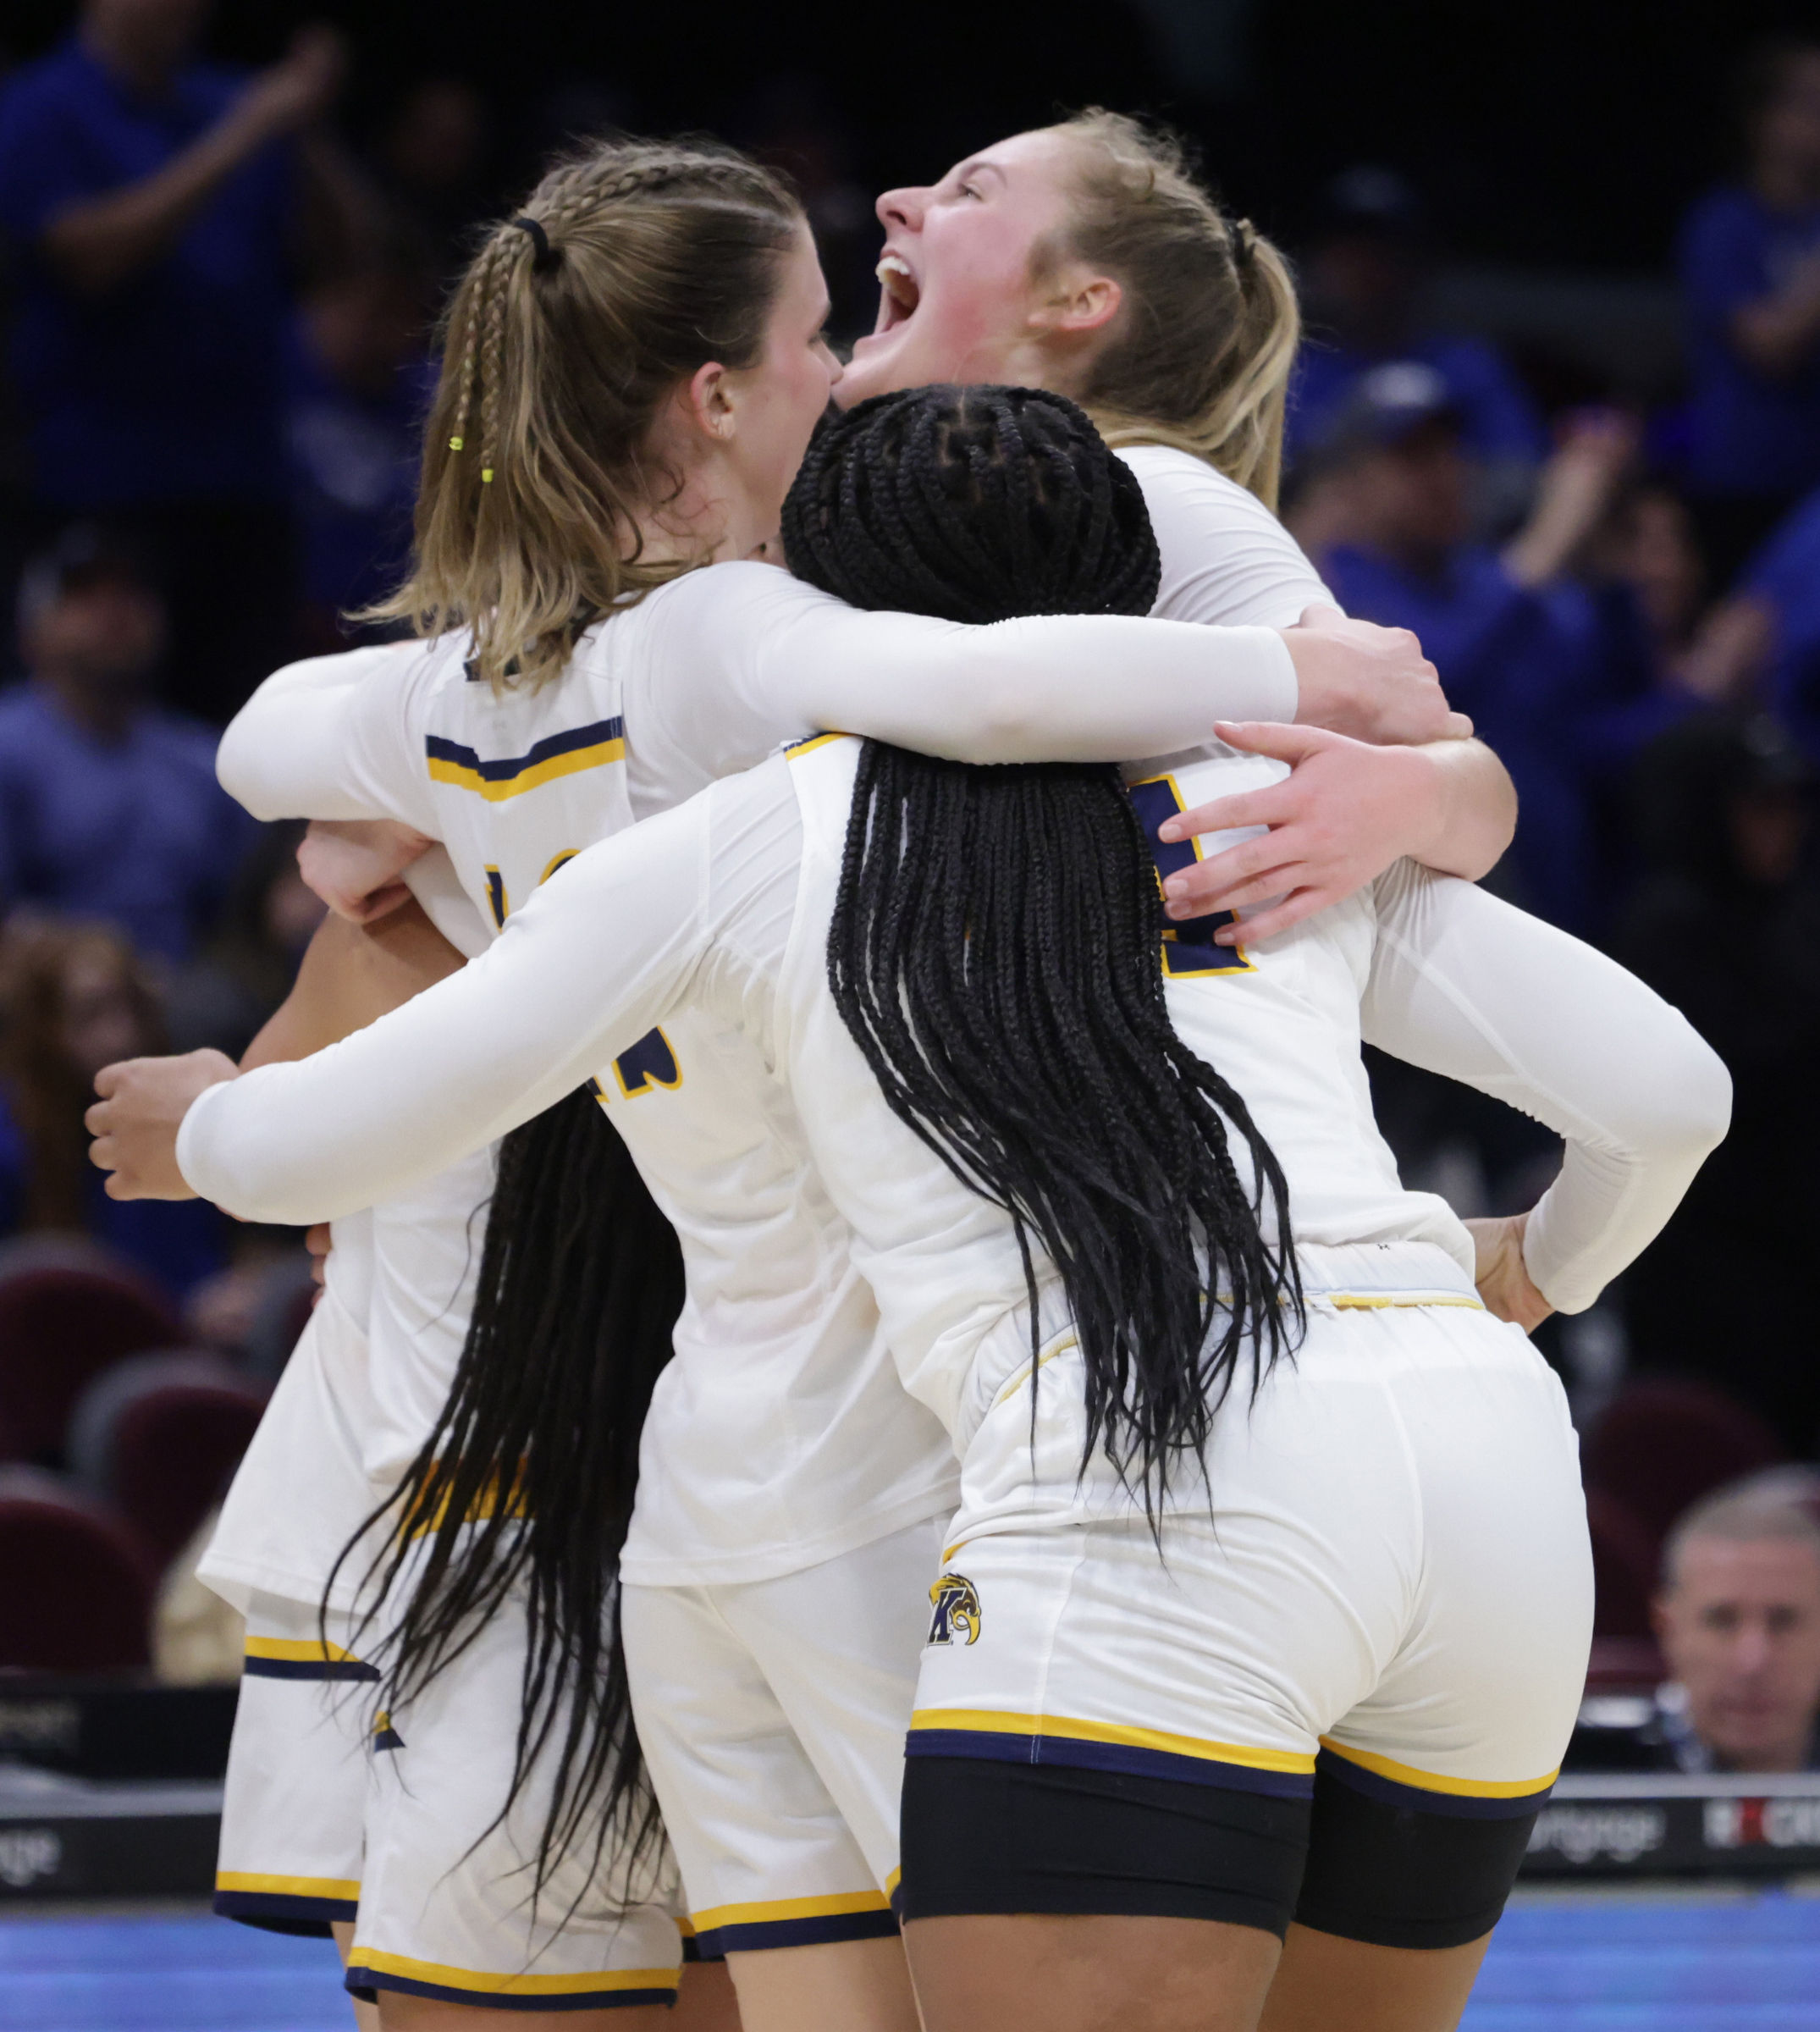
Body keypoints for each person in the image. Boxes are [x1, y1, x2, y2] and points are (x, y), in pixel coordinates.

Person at [91, 382, 1731, 2032]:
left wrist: (200, 1132)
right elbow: (1669, 1099)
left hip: (1161, 1470)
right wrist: (1535, 1265)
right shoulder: (1271, 799)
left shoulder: (739, 838)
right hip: (1494, 1476)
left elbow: (331, 1133)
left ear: (824, 603)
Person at [0, 0, 361, 719]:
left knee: (252, 724)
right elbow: (90, 260)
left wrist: (305, 125)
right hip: (103, 478)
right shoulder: (41, 105)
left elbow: (347, 255)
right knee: (101, 719)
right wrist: (248, 131)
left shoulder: (230, 95)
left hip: (246, 474)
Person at [1294, 363, 1646, 935]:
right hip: (1435, 910)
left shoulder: (1484, 578)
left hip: (1565, 880)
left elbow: (1600, 686)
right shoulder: (1334, 590)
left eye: (1449, 451)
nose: (1443, 474)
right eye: (1411, 457)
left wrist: (1612, 572)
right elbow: (1437, 672)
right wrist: (1555, 531)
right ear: (1349, 484)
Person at [1615, 716, 1820, 1458]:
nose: (1783, 827)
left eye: (1791, 804)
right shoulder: (1660, 937)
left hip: (1797, 1269)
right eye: (1760, 806)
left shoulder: (1799, 917)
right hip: (1705, 1272)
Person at [0, 527, 256, 963]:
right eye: (84, 597)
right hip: (40, 998)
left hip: (185, 992)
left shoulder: (206, 757)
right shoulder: (9, 747)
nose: (113, 612)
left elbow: (248, 911)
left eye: (130, 594)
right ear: (31, 633)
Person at [1283, 166, 1545, 528]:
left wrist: (1418, 505)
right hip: (1323, 556)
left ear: (1415, 260)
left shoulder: (1467, 365)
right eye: (1350, 250)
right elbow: (1274, 486)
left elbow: (1517, 475)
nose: (1366, 267)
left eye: (1382, 250)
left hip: (1447, 561)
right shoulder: (1291, 369)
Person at [0, 916, 224, 1302]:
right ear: (44, 1029)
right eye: (90, 1015)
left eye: (129, 1008)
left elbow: (197, 1270)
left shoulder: (169, 1119)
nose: (121, 1036)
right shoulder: (11, 1145)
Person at [1679, 38, 1820, 591]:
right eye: (1809, 104)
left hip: (1813, 485)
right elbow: (1770, 347)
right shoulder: (1723, 224)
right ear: (1765, 120)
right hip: (1741, 488)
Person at [1649, 1483, 1820, 1772]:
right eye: (1722, 1621)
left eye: (1783, 1621)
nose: (1752, 1660)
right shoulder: (1576, 1768)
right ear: (1667, 1628)